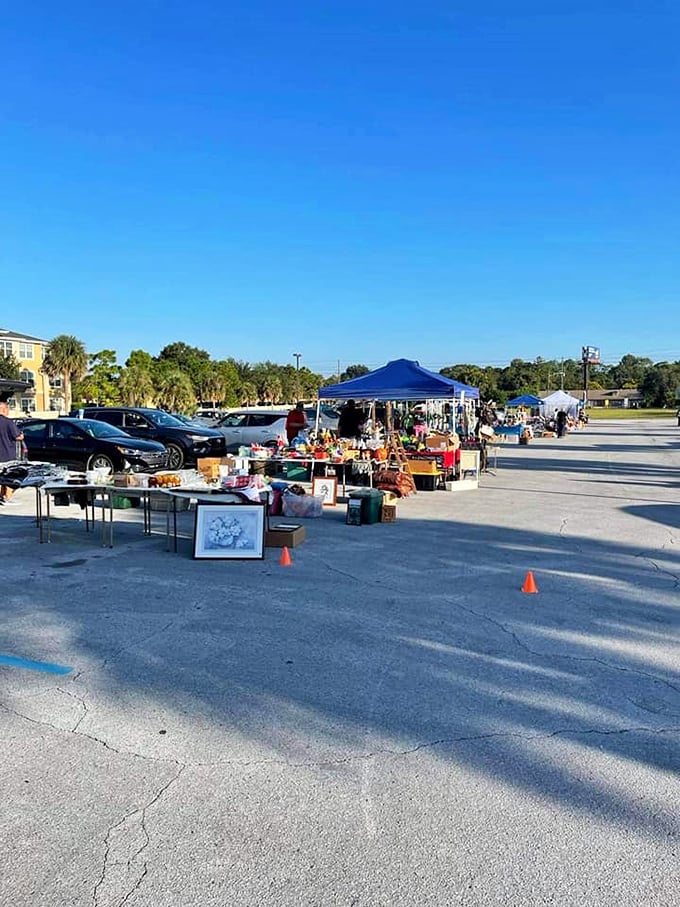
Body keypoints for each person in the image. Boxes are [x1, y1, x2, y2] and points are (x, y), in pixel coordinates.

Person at [0, 401, 23, 505]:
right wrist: (21, 435)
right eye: (8, 408)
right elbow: (17, 436)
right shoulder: (8, 422)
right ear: (4, 409)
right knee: (10, 477)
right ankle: (7, 498)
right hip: (8, 454)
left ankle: (1, 497)